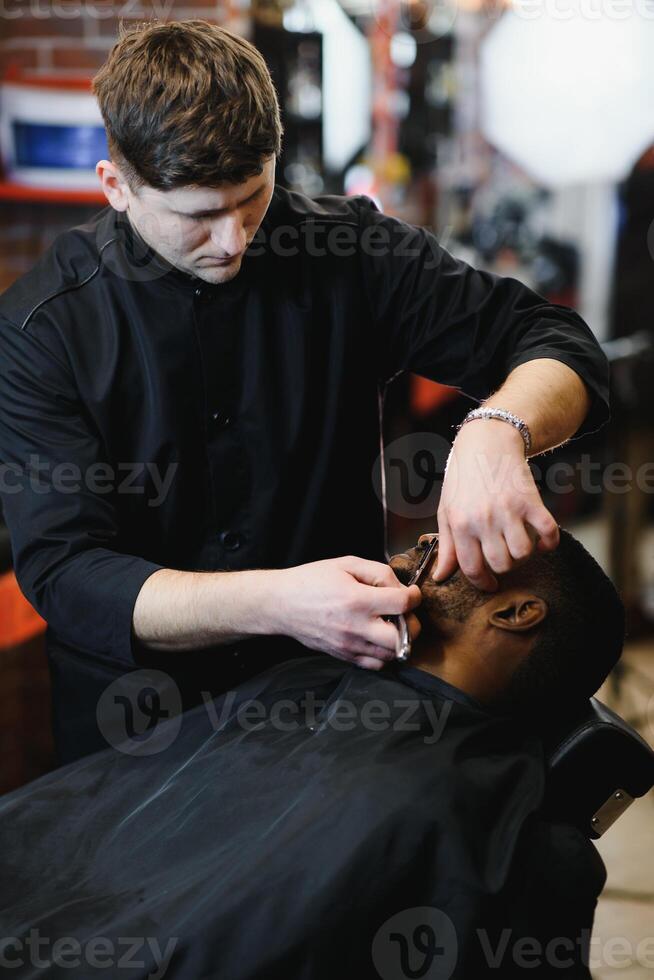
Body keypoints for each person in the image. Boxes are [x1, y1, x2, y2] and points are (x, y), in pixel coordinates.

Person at [0, 21, 610, 764]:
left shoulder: (349, 252)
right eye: (198, 216)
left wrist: (496, 428)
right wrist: (276, 603)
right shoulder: (44, 328)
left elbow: (559, 344)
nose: (234, 241)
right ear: (115, 188)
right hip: (136, 733)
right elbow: (68, 574)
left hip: (329, 707)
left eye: (251, 198)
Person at [0, 529, 624, 978]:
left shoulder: (473, 817)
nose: (412, 550)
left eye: (445, 549)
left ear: (517, 612)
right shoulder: (318, 678)